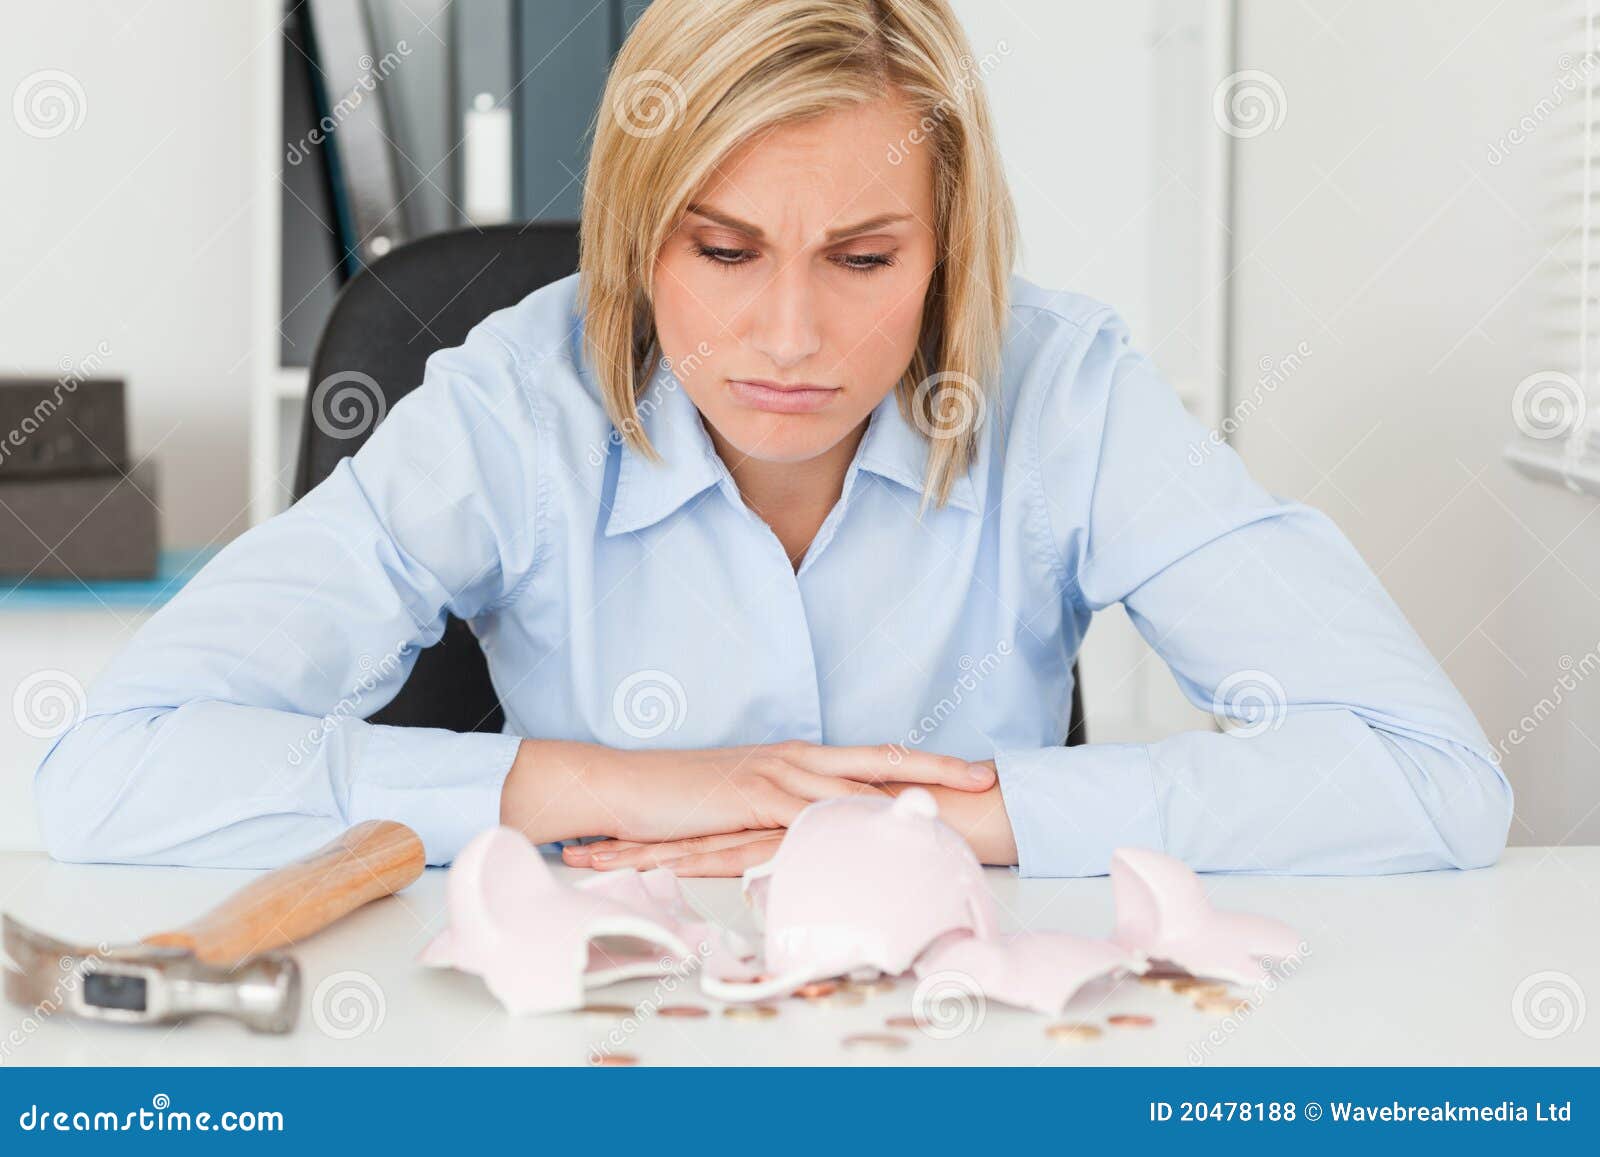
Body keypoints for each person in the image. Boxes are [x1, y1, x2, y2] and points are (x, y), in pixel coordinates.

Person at [33, 0, 1511, 877]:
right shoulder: (516, 400)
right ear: (636, 240)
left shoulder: (1065, 389)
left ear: (949, 250)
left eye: (864, 259)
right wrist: (614, 787)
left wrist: (952, 817)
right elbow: (115, 771)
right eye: (724, 250)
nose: (790, 336)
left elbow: (1430, 775)